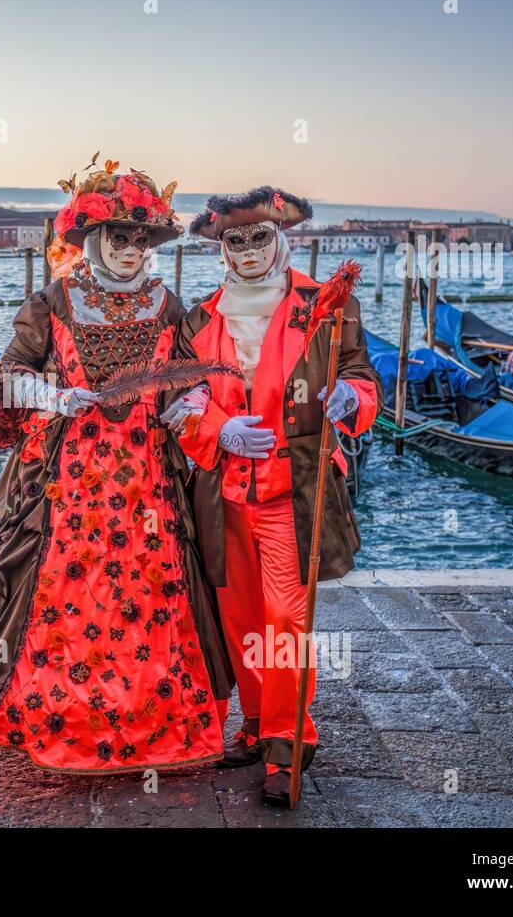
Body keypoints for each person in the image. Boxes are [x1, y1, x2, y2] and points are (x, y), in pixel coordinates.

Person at [0, 159, 234, 773]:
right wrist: (52, 396)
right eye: (119, 238)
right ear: (93, 240)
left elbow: (187, 376)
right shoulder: (54, 301)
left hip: (147, 480)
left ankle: (150, 723)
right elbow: (10, 375)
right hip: (70, 477)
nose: (131, 250)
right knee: (62, 592)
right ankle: (59, 717)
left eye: (141, 239)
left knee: (152, 592)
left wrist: (194, 403)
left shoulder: (167, 303)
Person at [163, 186, 380, 805]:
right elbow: (179, 401)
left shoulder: (326, 307)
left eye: (261, 237)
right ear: (223, 249)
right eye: (237, 239)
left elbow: (362, 376)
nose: (250, 249)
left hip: (294, 491)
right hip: (223, 492)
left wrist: (350, 400)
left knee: (285, 620)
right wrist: (216, 428)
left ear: (279, 241)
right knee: (240, 617)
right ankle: (256, 724)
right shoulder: (199, 319)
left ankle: (289, 744)